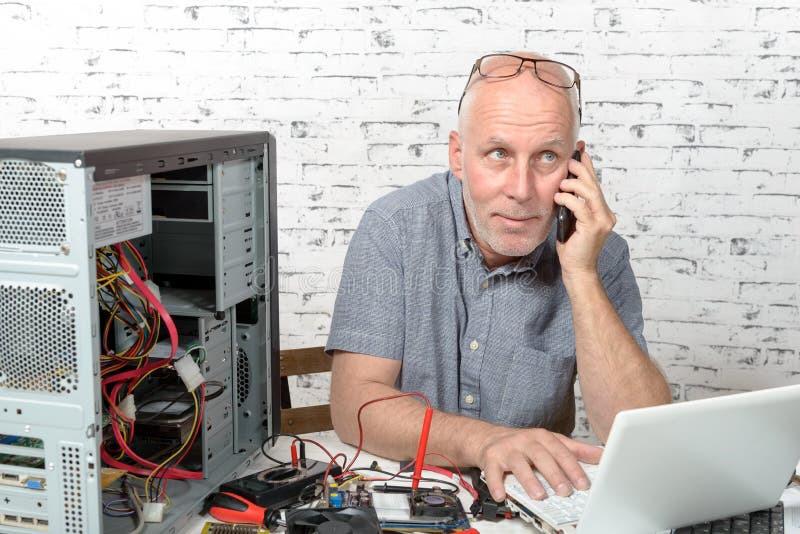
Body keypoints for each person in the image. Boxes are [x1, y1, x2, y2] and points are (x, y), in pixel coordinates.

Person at [325, 52, 671, 503]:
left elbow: (642, 433)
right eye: (498, 153)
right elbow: (353, 407)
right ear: (458, 154)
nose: (521, 189)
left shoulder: (600, 251)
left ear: (576, 164)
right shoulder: (395, 228)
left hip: (531, 503)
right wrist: (485, 441)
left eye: (547, 156)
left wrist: (582, 273)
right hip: (403, 495)